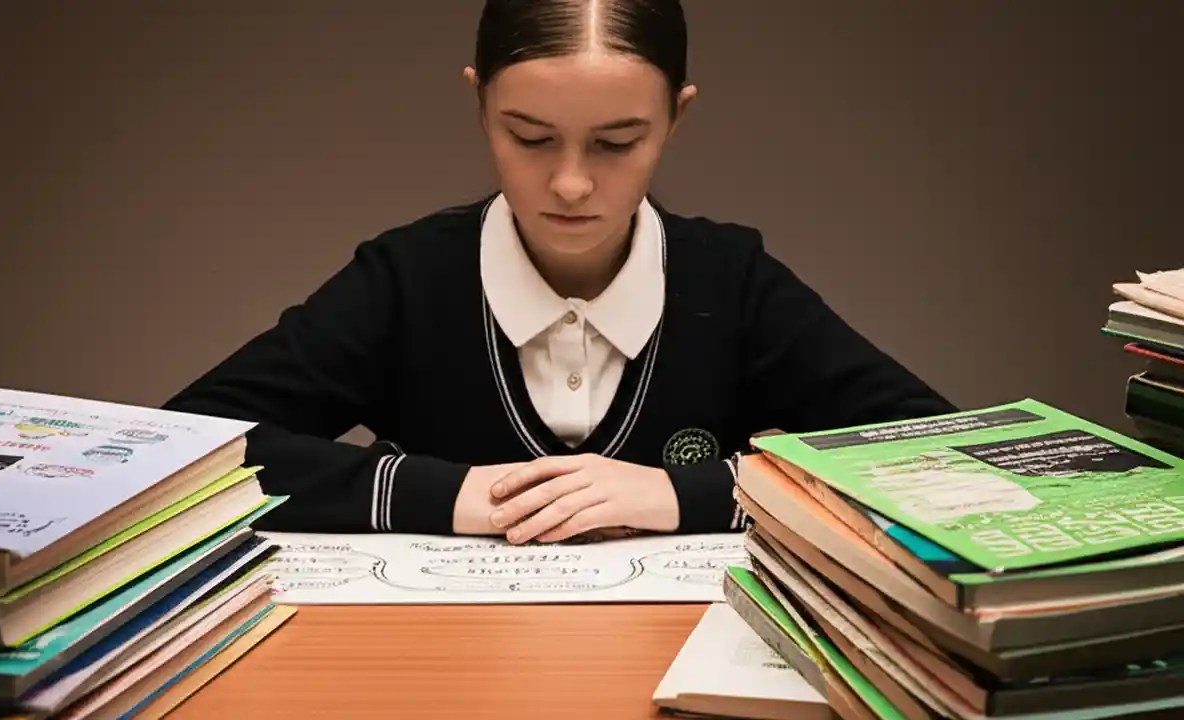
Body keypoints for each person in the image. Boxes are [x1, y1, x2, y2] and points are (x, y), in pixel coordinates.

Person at [162, 0, 957, 544]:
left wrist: (689, 493)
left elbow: (936, 455)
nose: (572, 183)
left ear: (677, 116)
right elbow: (183, 450)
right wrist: (456, 495)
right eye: (530, 137)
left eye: (617, 143)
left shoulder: (728, 281)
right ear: (480, 106)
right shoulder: (410, 279)